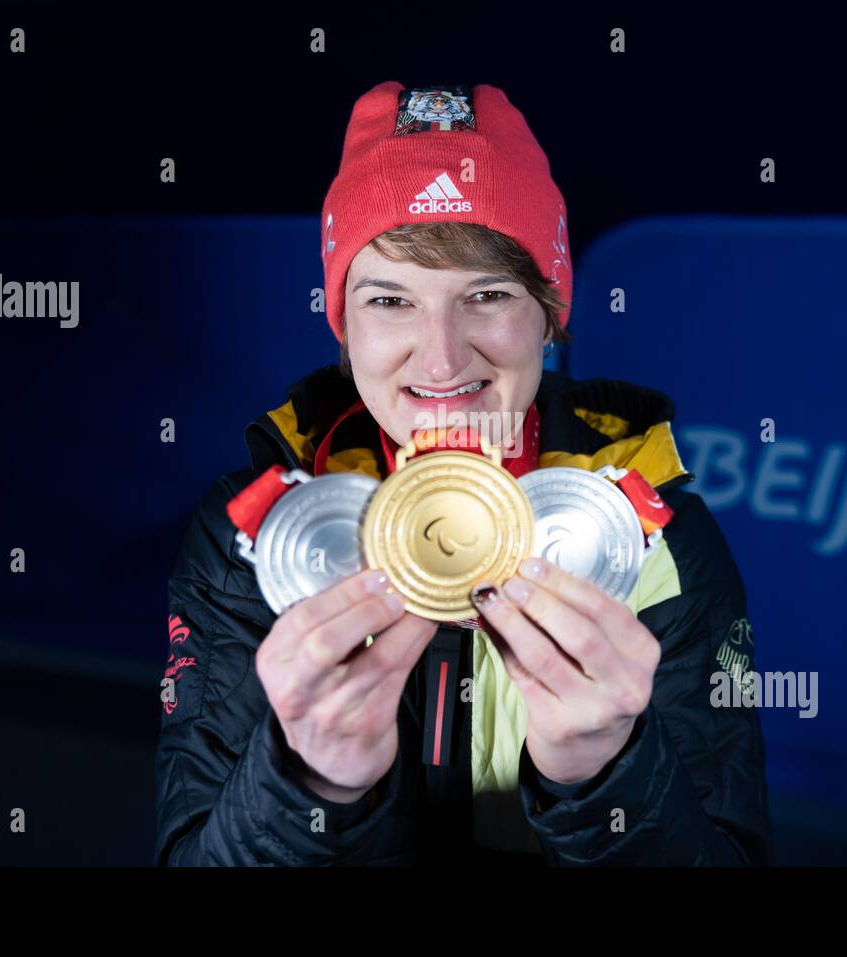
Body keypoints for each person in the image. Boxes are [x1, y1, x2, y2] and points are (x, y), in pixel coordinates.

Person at [153, 81, 771, 866]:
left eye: (487, 294)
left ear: (549, 313)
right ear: (345, 328)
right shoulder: (253, 538)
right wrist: (309, 787)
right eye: (389, 300)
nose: (441, 359)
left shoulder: (652, 539)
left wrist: (606, 776)